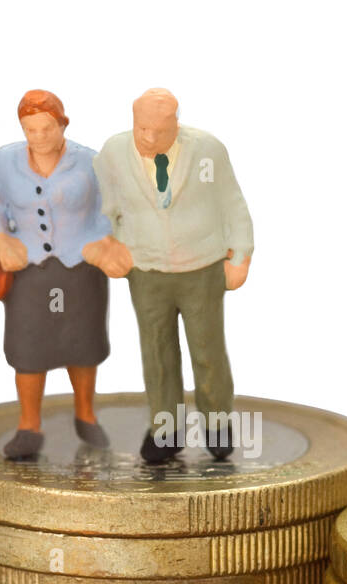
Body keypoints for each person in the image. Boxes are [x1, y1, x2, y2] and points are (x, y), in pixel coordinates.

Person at [92, 88, 254, 463]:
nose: (149, 139)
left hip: (202, 267)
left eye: (160, 131)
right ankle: (166, 430)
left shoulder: (207, 151)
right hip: (146, 270)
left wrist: (241, 255)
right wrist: (107, 247)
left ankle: (217, 424)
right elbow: (101, 208)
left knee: (207, 349)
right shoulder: (114, 154)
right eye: (142, 129)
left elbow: (232, 203)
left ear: (176, 125)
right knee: (157, 353)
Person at [0, 89, 129, 460]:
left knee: (83, 345)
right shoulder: (5, 160)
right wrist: (1, 240)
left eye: (46, 128)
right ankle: (29, 424)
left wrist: (99, 242)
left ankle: (86, 413)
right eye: (30, 129)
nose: (39, 137)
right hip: (29, 271)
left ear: (62, 124)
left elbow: (110, 209)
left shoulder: (90, 162)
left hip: (80, 268)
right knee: (28, 349)